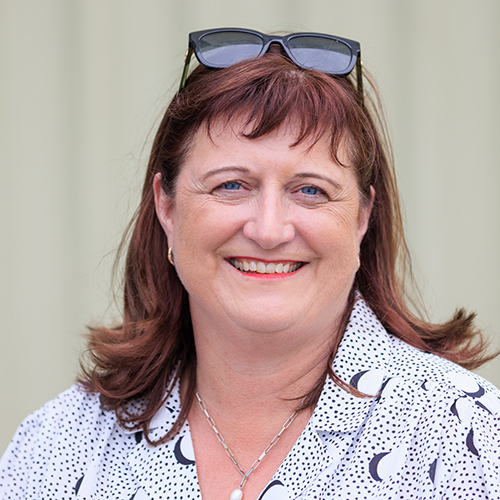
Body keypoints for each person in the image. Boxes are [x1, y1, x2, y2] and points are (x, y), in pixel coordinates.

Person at [1, 28, 499, 500]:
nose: (268, 230)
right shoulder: (54, 450)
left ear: (362, 217)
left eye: (311, 190)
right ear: (167, 206)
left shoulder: (464, 434)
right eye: (231, 185)